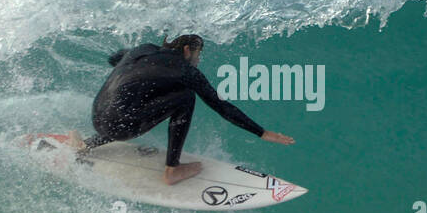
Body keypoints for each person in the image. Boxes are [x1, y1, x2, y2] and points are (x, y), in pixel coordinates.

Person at [70, 34, 295, 185]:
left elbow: (114, 59)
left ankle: (86, 144)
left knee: (136, 98)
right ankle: (172, 169)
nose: (197, 61)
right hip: (122, 128)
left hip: (98, 116)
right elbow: (221, 106)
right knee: (185, 97)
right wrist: (262, 132)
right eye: (198, 55)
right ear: (187, 50)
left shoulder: (142, 50)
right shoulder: (186, 71)